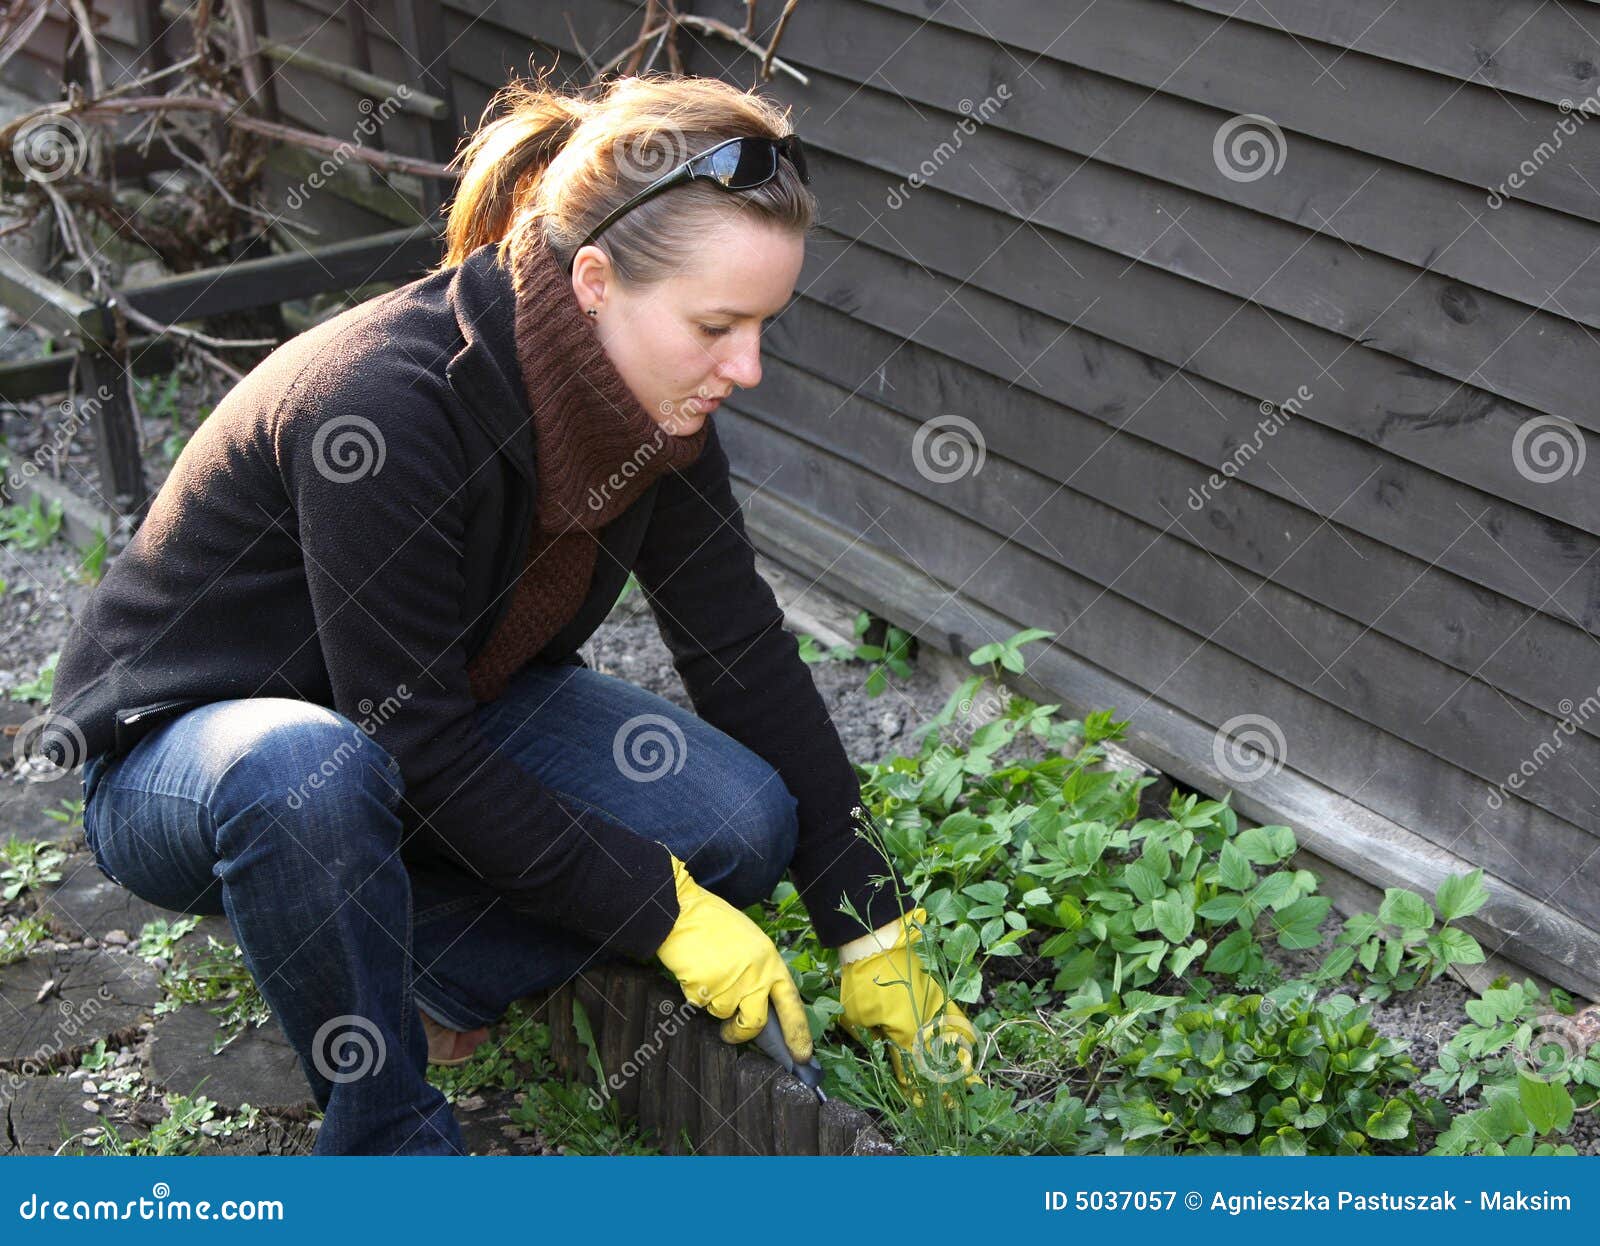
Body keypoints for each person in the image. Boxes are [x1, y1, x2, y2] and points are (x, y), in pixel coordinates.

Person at [43, 74, 976, 1156]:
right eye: (719, 324)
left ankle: (411, 955)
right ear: (594, 279)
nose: (747, 367)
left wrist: (872, 930)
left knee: (740, 825)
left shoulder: (654, 407)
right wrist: (656, 906)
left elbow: (741, 651)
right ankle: (391, 1144)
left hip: (418, 725)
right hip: (198, 756)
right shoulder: (386, 406)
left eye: (762, 325)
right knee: (311, 769)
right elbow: (409, 741)